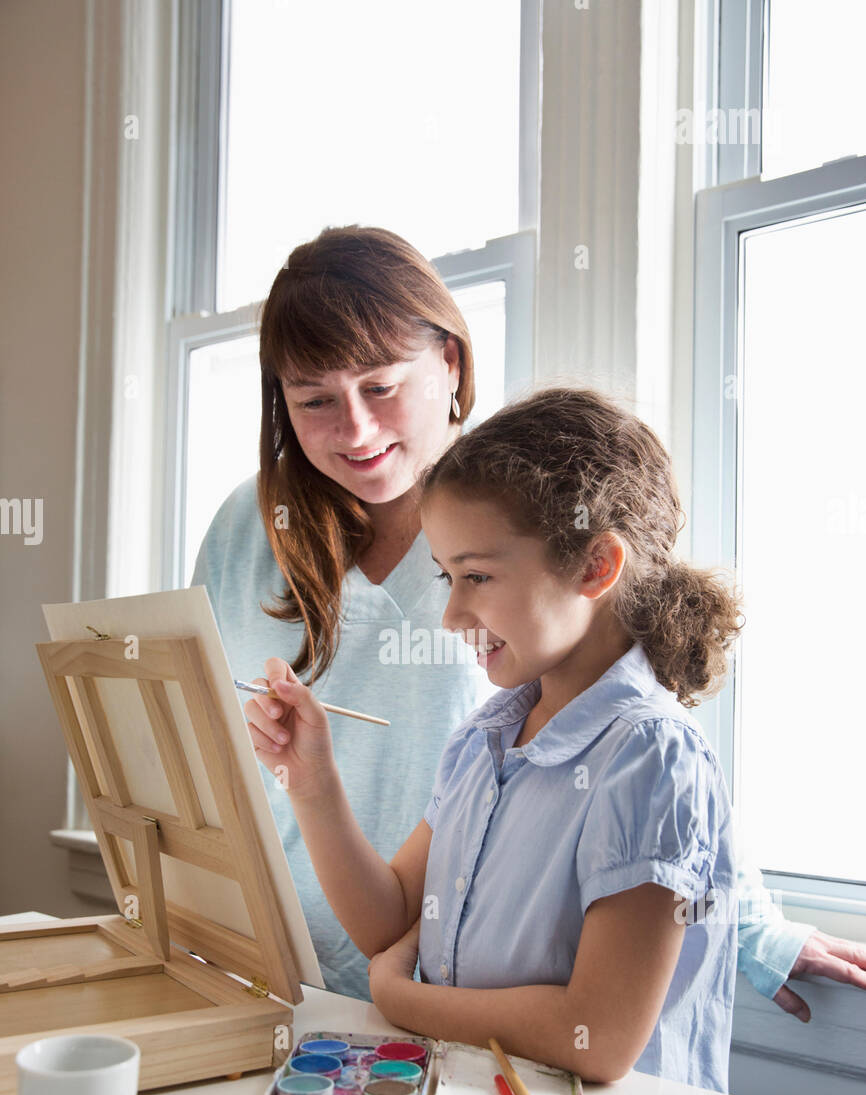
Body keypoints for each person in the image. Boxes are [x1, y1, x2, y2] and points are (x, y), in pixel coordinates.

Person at [193, 224, 863, 1018]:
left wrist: (751, 926)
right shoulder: (248, 522)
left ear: (449, 361)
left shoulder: (529, 511)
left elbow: (647, 728)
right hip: (277, 955)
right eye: (314, 402)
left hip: (458, 978)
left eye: (380, 387)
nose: (358, 431)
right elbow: (205, 725)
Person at [251, 387, 744, 1090]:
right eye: (447, 577)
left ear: (596, 566)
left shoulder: (649, 757)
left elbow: (597, 1037)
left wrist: (401, 999)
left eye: (477, 576)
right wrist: (312, 782)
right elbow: (390, 919)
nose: (452, 615)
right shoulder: (487, 736)